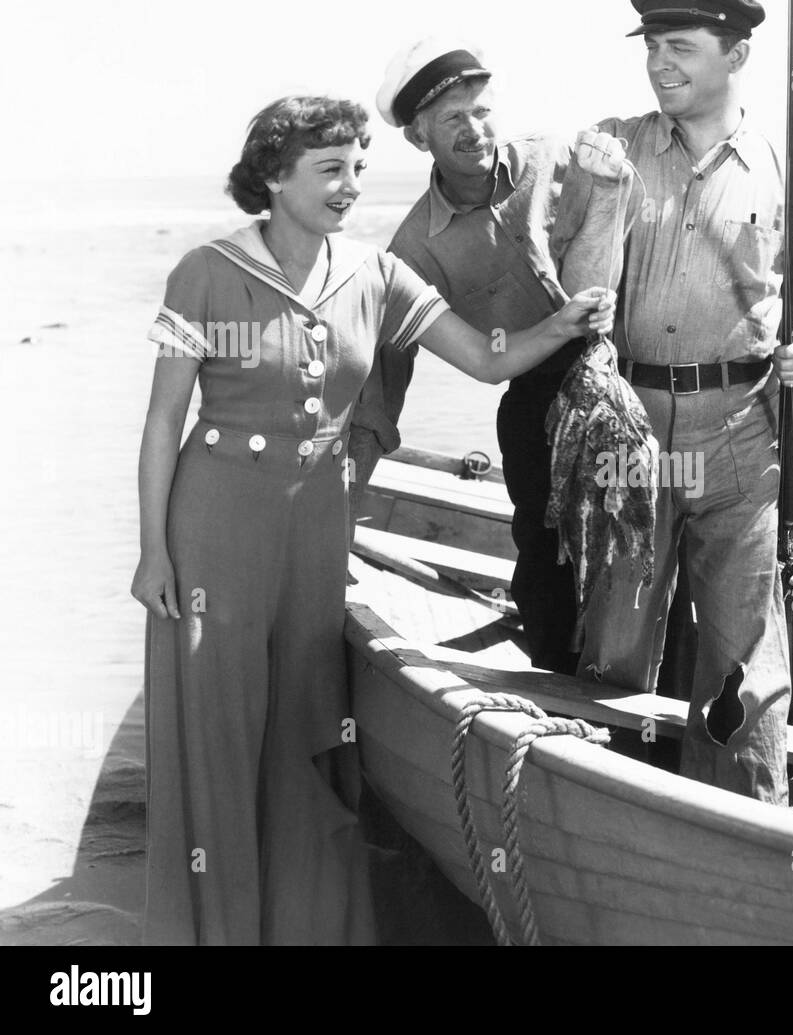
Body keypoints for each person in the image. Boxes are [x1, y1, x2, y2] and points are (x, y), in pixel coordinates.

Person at [131, 95, 613, 945]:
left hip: (320, 524)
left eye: (358, 167)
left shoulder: (379, 275)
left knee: (308, 720)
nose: (351, 186)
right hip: (215, 525)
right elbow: (163, 419)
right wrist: (151, 552)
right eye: (330, 170)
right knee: (221, 723)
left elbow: (487, 357)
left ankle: (301, 925)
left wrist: (564, 323)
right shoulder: (205, 272)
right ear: (274, 178)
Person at [552, 0, 793, 805]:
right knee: (613, 645)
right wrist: (588, 186)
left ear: (740, 51)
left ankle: (749, 824)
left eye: (679, 45)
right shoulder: (615, 146)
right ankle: (601, 808)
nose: (659, 62)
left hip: (742, 436)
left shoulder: (792, 179)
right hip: (628, 423)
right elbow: (563, 265)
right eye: (651, 45)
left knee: (743, 662)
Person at [349, 37, 613, 675]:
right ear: (419, 140)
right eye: (452, 119)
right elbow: (387, 373)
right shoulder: (414, 247)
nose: (474, 130)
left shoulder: (559, 158)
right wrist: (347, 488)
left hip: (627, 377)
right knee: (543, 549)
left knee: (649, 541)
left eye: (482, 110)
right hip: (534, 393)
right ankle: (555, 687)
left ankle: (665, 695)